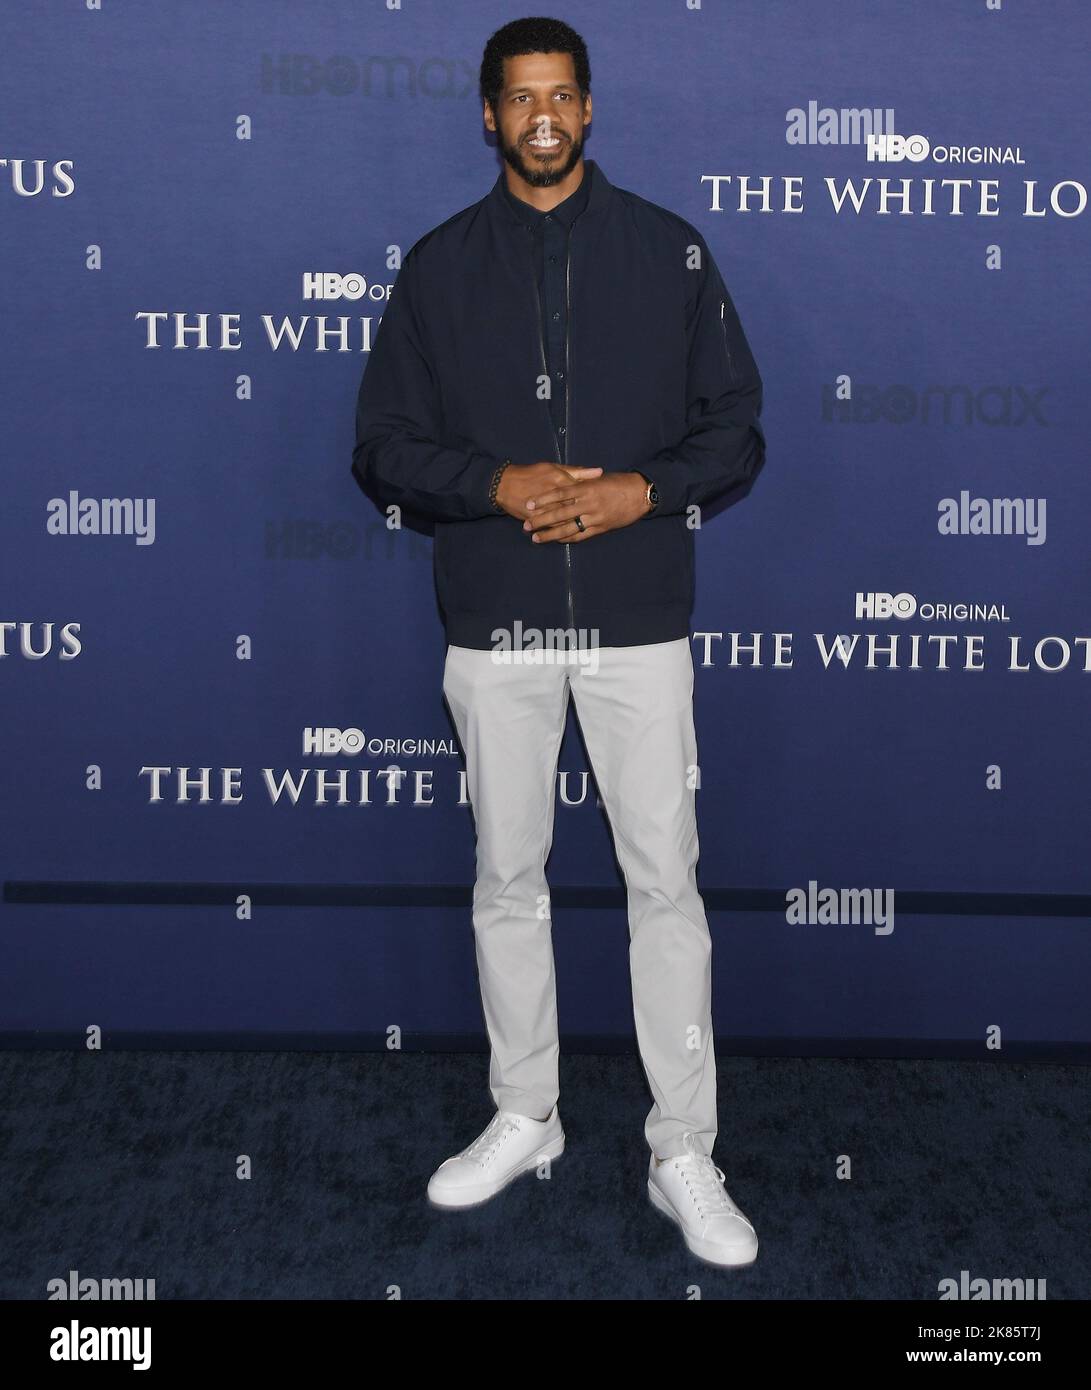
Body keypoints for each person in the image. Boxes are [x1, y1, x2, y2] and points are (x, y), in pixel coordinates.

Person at [352, 15, 766, 1268]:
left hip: (638, 619)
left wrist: (642, 488)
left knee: (664, 888)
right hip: (494, 620)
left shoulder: (670, 250)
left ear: (589, 112)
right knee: (507, 884)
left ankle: (681, 1146)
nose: (541, 117)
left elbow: (734, 426)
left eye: (561, 96)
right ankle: (524, 1114)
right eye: (518, 98)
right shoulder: (434, 269)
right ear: (489, 116)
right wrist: (496, 482)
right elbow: (381, 447)